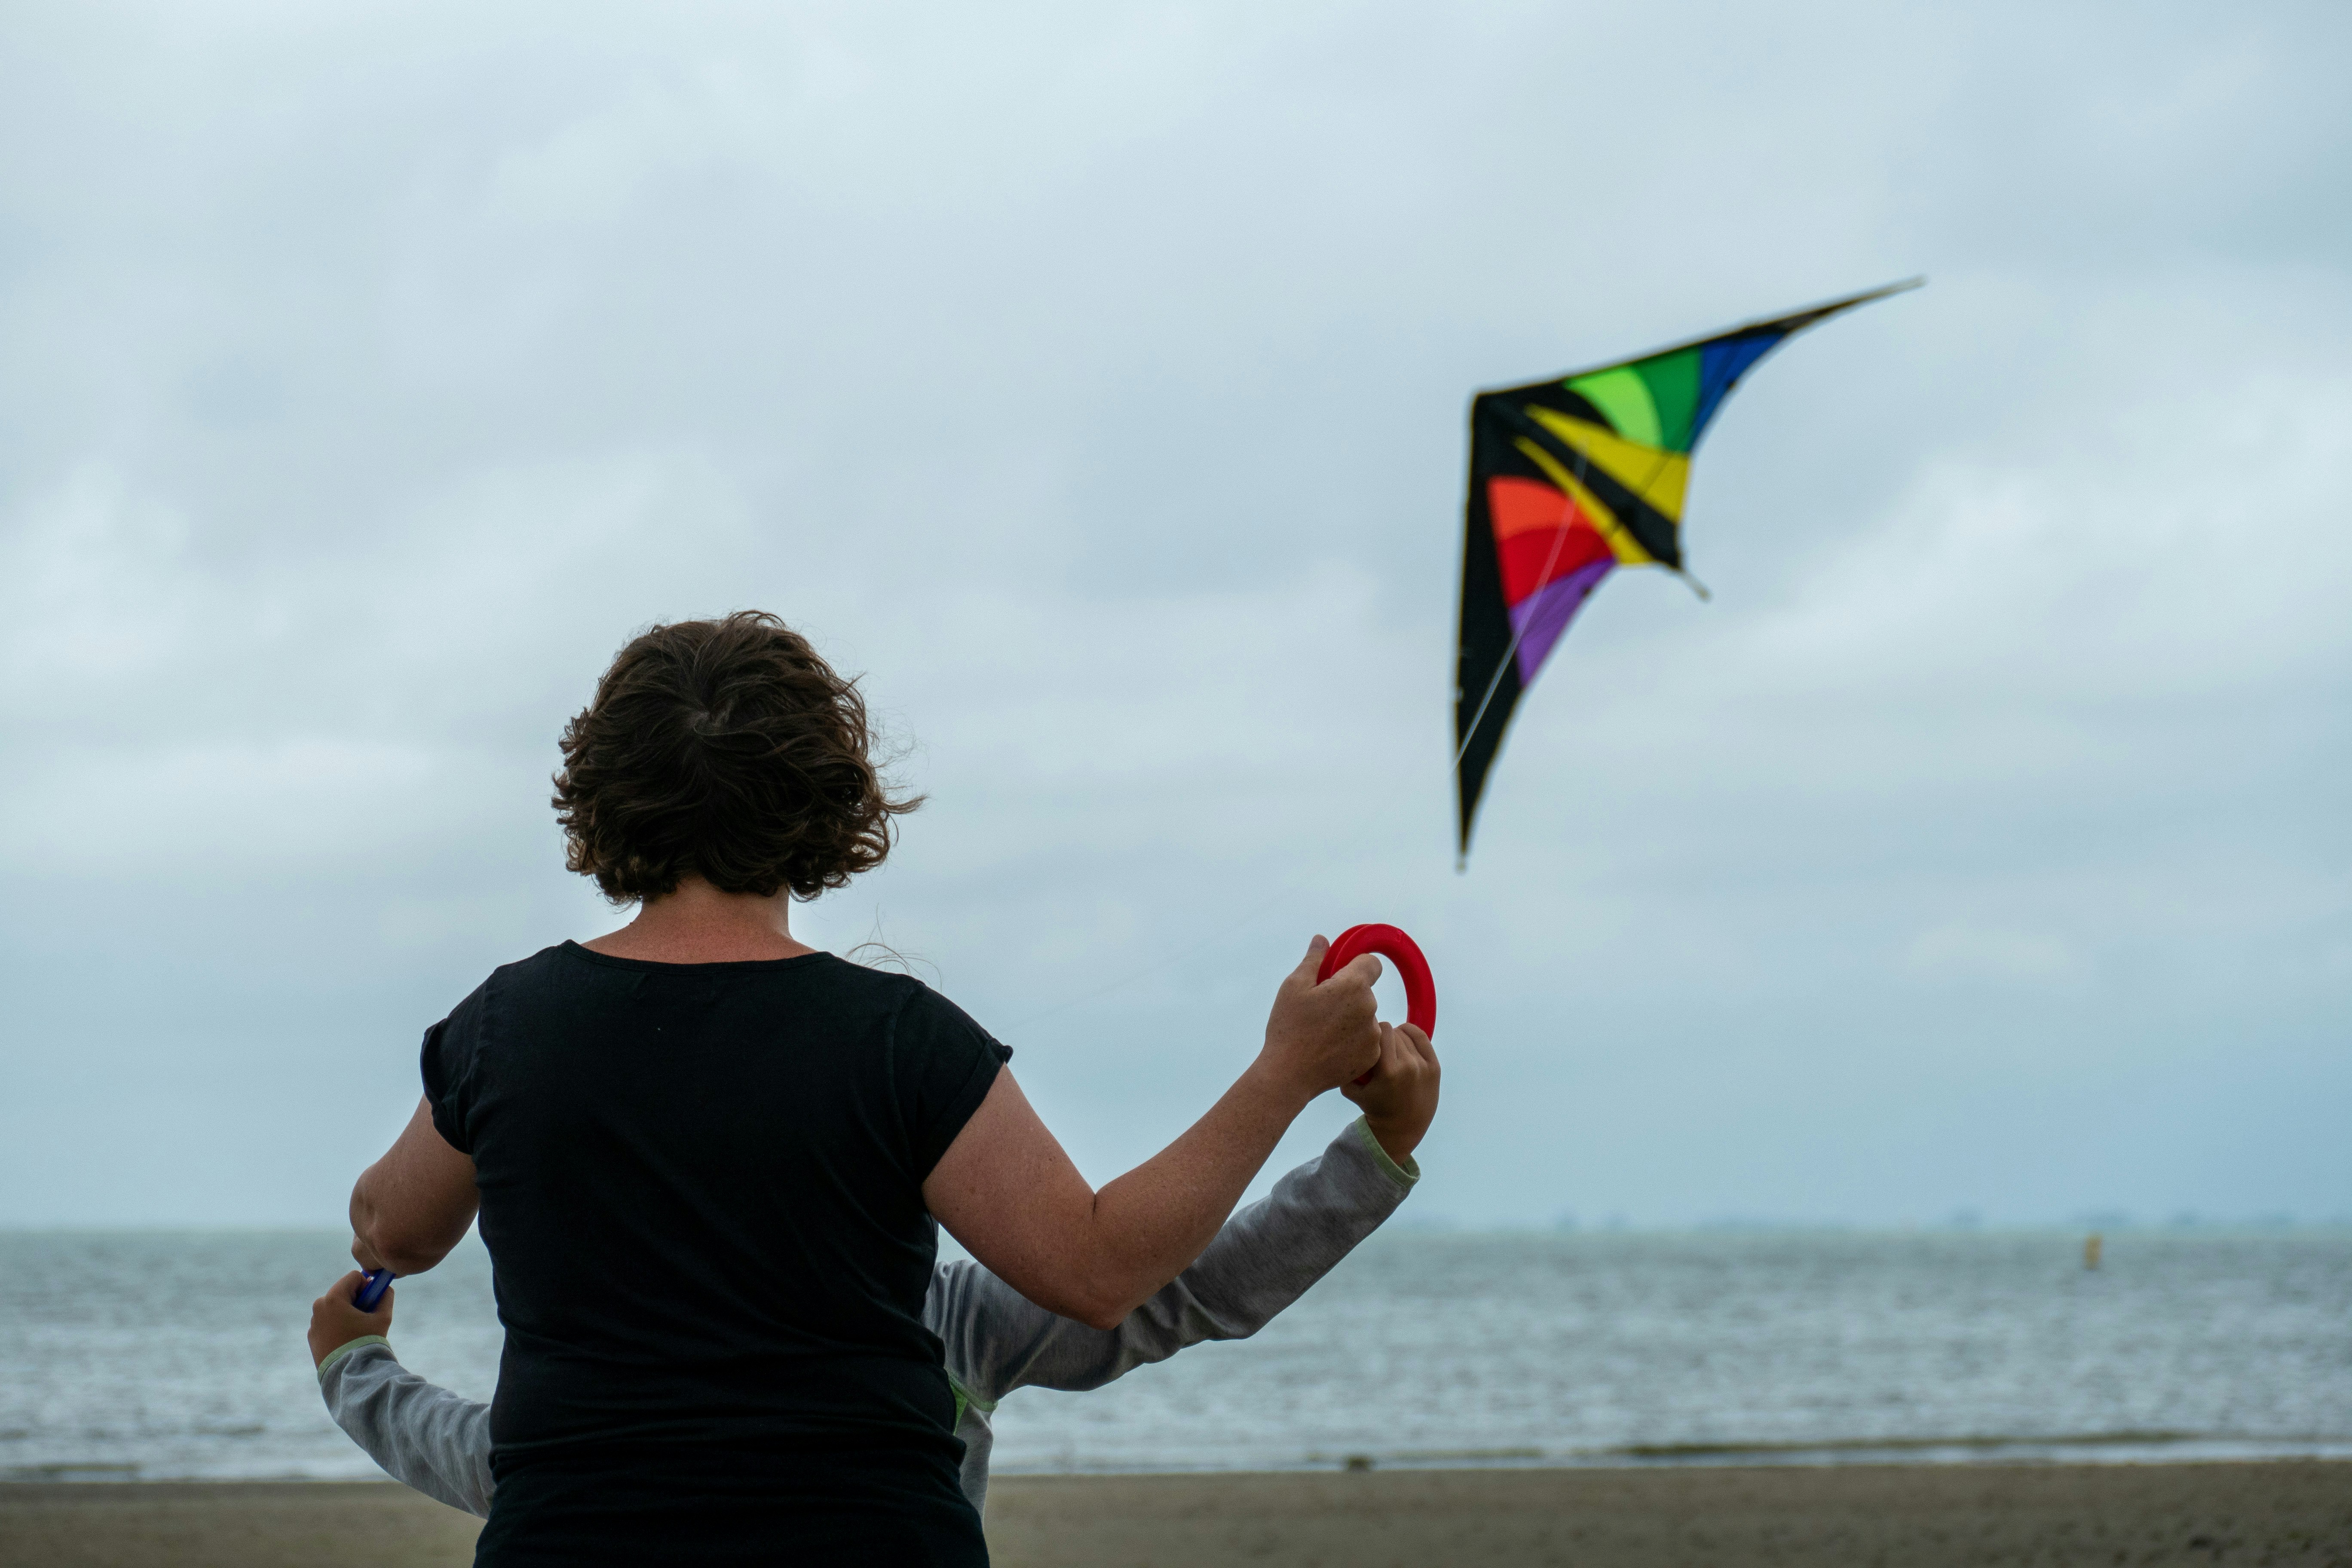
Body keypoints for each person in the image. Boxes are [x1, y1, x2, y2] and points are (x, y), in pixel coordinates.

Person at [343, 612, 1421, 1566]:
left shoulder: (507, 1028)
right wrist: (1287, 1076)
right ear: (823, 802)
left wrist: (356, 1349)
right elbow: (1100, 1273)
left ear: (606, 797)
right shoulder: (899, 1042)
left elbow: (392, 1227)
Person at [308, 1061, 1436, 1520]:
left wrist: (356, 1374)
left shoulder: (639, 1337)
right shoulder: (953, 1321)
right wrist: (1373, 1151)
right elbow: (1195, 1295)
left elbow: (489, 1459)